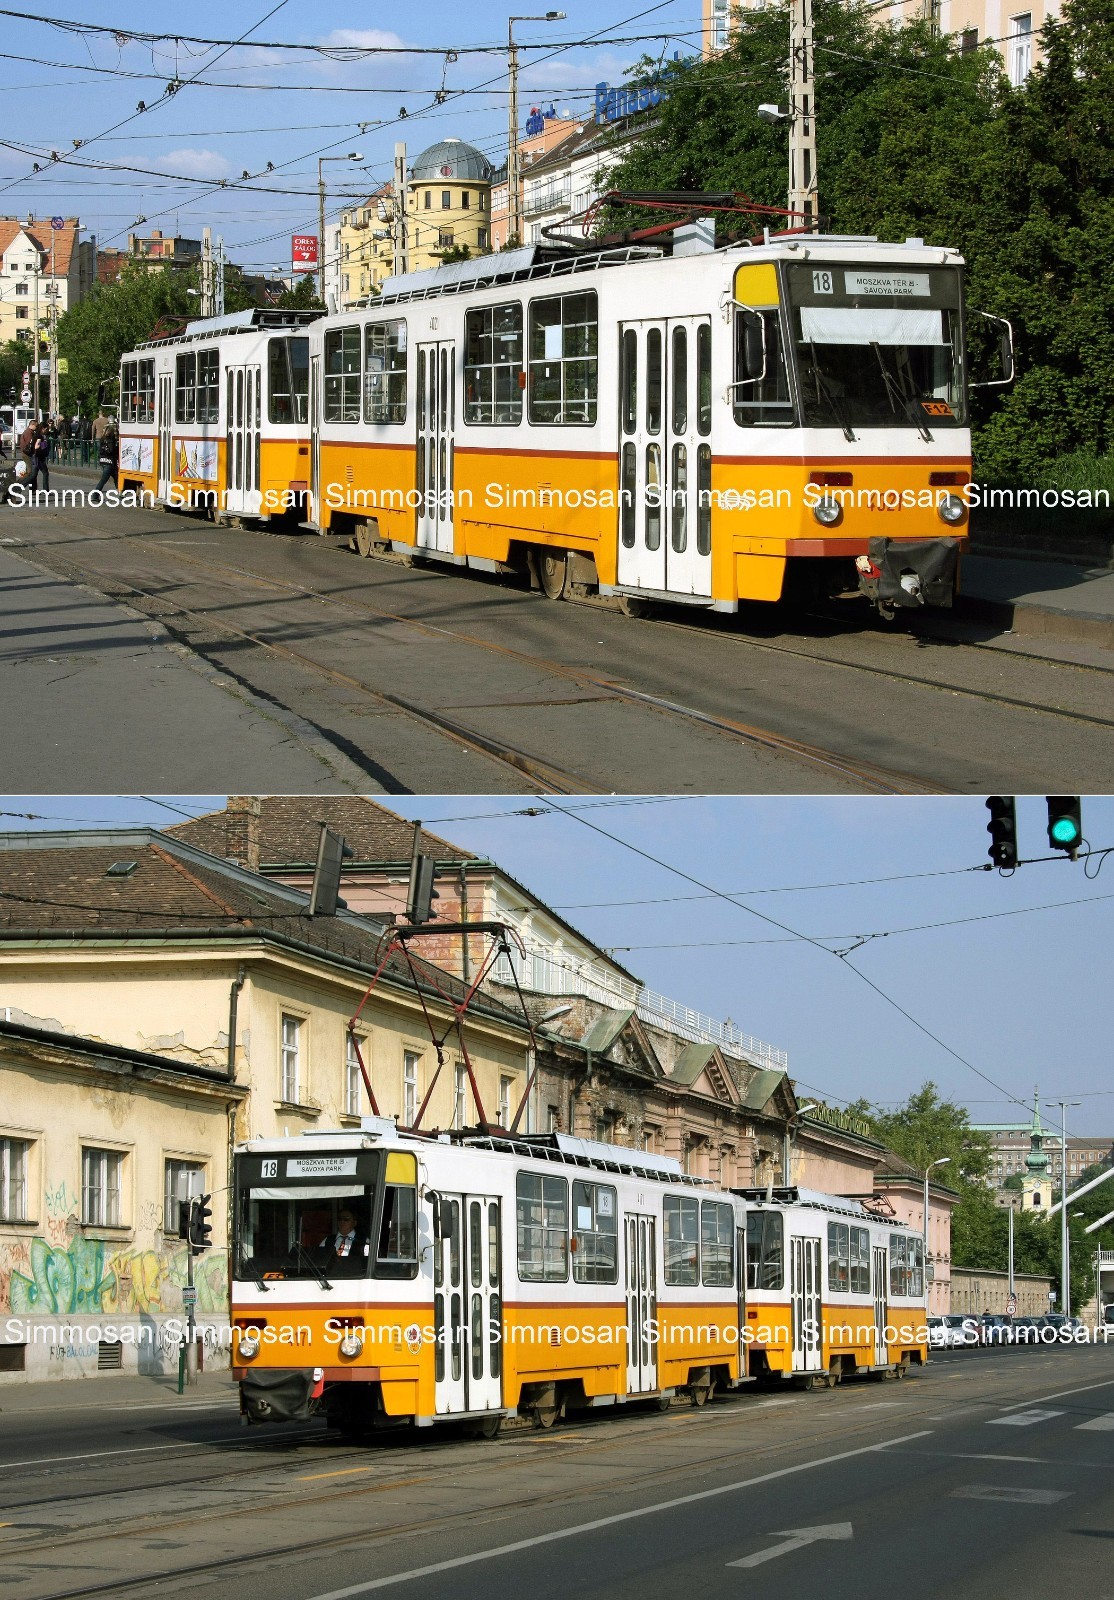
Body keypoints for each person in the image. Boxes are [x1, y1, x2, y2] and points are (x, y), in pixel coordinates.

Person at [318, 1207, 367, 1273]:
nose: (342, 1222)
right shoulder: (327, 1240)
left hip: (354, 1277)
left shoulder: (364, 1241)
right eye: (339, 1219)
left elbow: (367, 1265)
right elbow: (319, 1261)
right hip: (330, 1277)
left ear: (355, 1222)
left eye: (346, 1219)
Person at [94, 424, 118, 494]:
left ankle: (120, 492)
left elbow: (100, 451)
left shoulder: (102, 439)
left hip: (103, 461)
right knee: (104, 480)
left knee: (117, 477)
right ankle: (95, 495)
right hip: (109, 462)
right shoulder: (111, 440)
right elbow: (111, 451)